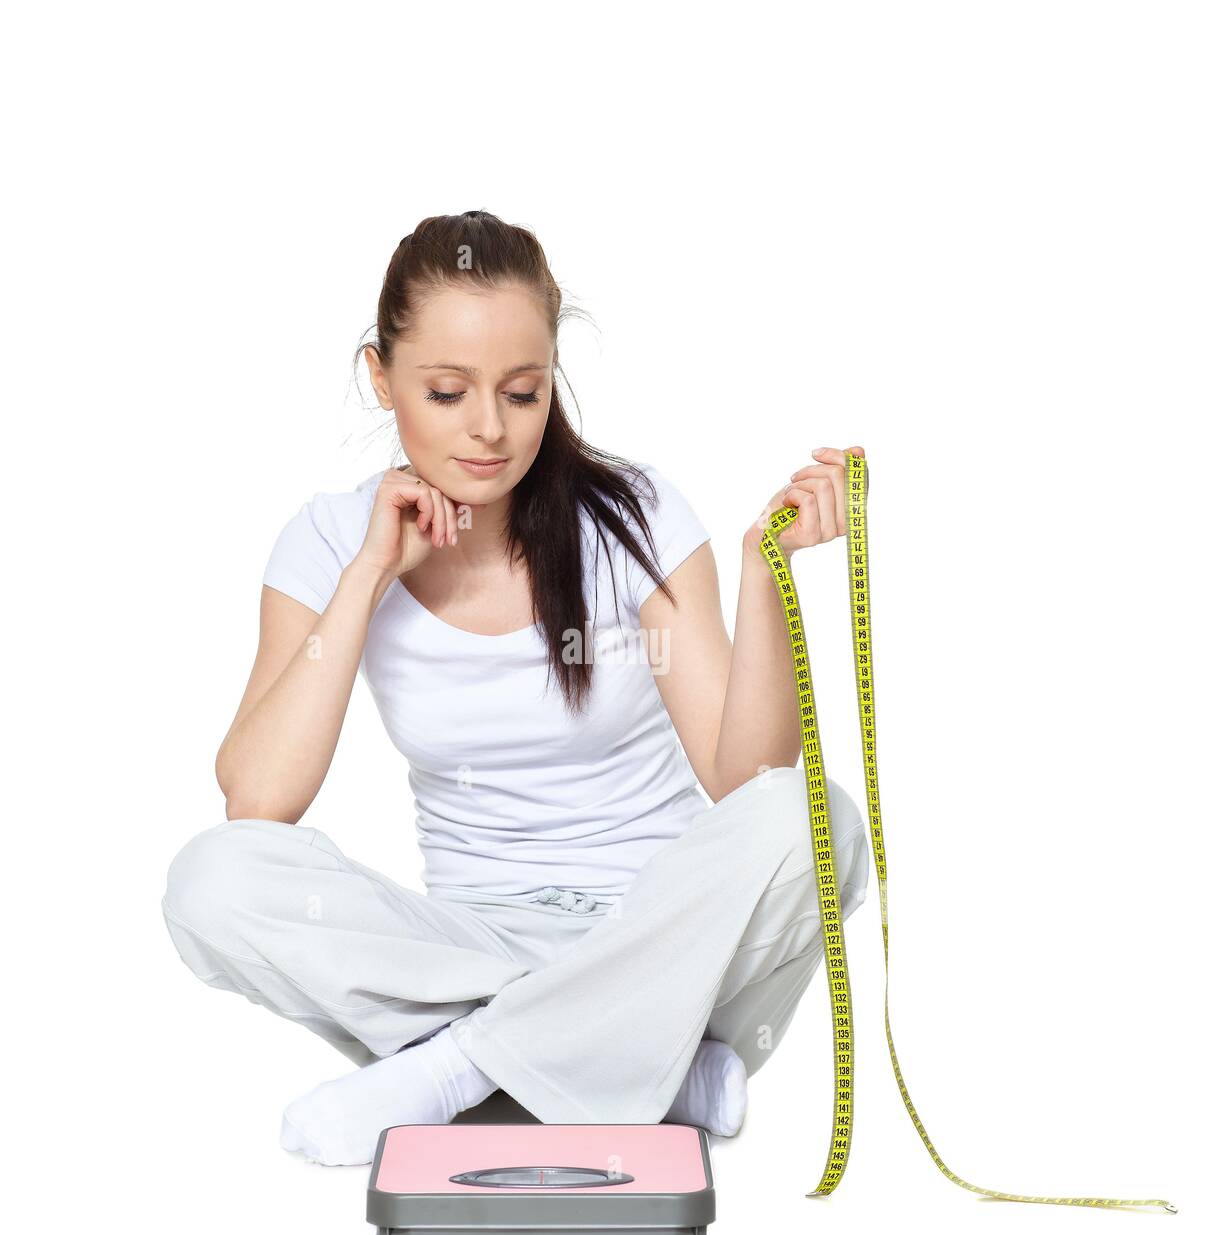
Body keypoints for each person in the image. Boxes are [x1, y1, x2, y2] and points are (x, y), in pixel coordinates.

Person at [160, 209, 871, 1166]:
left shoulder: (635, 517)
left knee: (812, 819)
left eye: (523, 393)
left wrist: (762, 571)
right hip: (459, 945)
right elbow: (258, 797)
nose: (490, 430)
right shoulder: (329, 541)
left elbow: (743, 776)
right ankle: (647, 1066)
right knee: (212, 880)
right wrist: (370, 575)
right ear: (381, 378)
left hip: (662, 928)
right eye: (447, 392)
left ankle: (456, 1067)